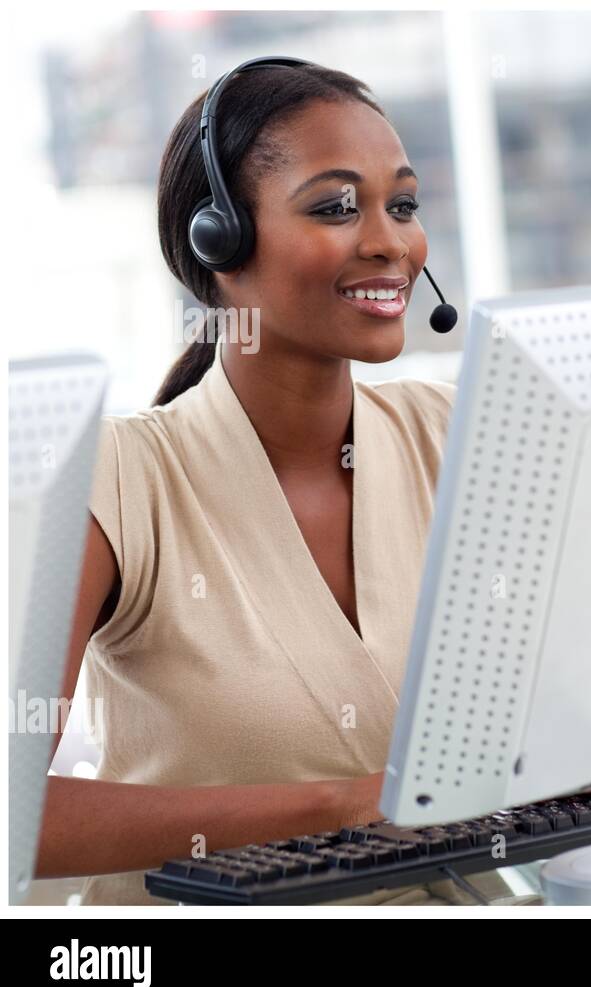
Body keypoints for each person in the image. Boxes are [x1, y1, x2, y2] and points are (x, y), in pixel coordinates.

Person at [41, 60, 509, 905]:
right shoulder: (112, 480)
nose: (390, 242)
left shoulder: (456, 437)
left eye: (402, 204)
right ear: (219, 241)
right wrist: (335, 808)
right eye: (335, 206)